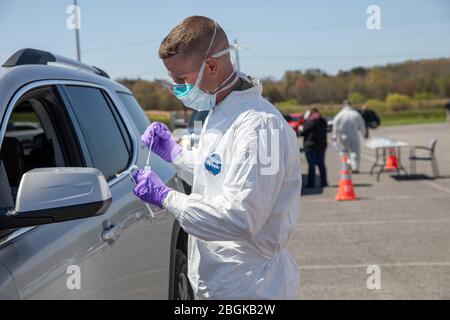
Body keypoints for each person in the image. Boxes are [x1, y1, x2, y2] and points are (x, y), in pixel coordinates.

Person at [132, 16, 301, 300]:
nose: (176, 88)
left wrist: (167, 198)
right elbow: (216, 174)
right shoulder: (221, 111)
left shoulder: (259, 126)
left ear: (211, 65)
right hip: (221, 279)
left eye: (181, 79)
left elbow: (240, 218)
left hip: (249, 287)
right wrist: (176, 155)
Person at [332, 100, 367, 173]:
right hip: (354, 136)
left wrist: (334, 136)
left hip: (343, 136)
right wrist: (364, 134)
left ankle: (347, 165)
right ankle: (355, 168)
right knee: (355, 152)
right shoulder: (356, 114)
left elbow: (335, 125)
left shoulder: (340, 114)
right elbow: (362, 125)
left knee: (344, 152)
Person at [300, 108, 328, 187]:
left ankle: (311, 183)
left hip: (311, 146)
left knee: (312, 166)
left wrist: (306, 120)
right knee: (321, 165)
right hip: (320, 146)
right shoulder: (322, 122)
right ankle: (323, 182)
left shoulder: (310, 122)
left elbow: (303, 132)